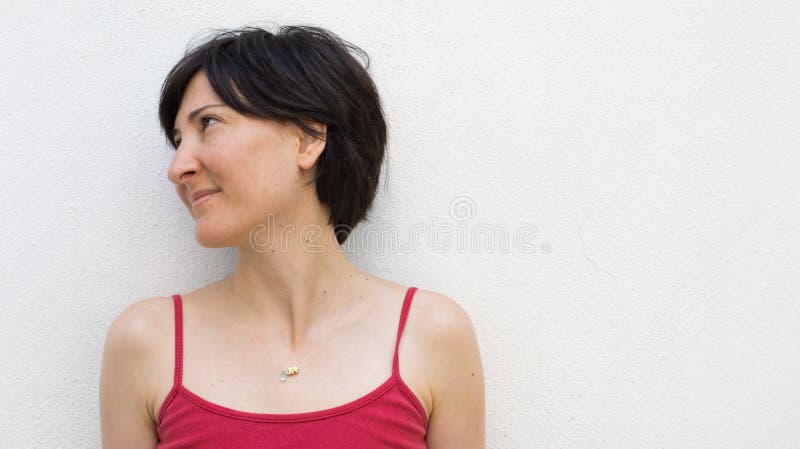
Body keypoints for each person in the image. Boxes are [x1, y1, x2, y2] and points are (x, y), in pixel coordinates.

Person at [99, 25, 485, 448]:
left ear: (308, 139)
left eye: (208, 123)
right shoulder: (145, 343)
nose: (177, 168)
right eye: (177, 141)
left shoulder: (431, 335)